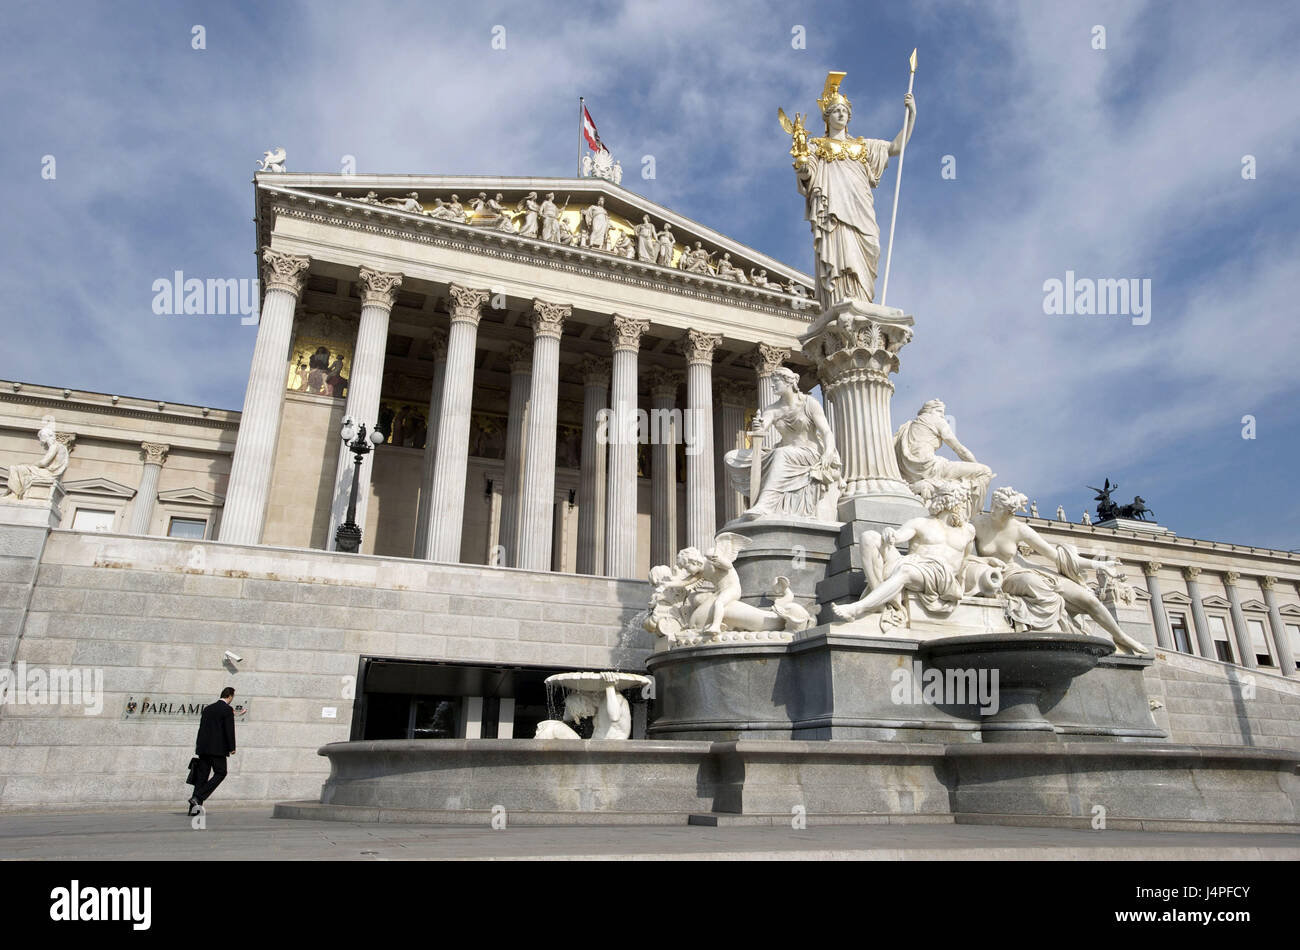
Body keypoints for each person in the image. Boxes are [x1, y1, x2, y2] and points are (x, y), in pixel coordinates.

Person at [189, 687, 237, 815]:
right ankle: (198, 796)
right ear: (230, 696)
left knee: (202, 777)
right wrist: (232, 747)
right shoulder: (227, 710)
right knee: (221, 773)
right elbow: (229, 730)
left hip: (203, 748)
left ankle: (194, 809)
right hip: (217, 750)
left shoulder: (208, 709)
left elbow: (202, 728)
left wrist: (199, 746)